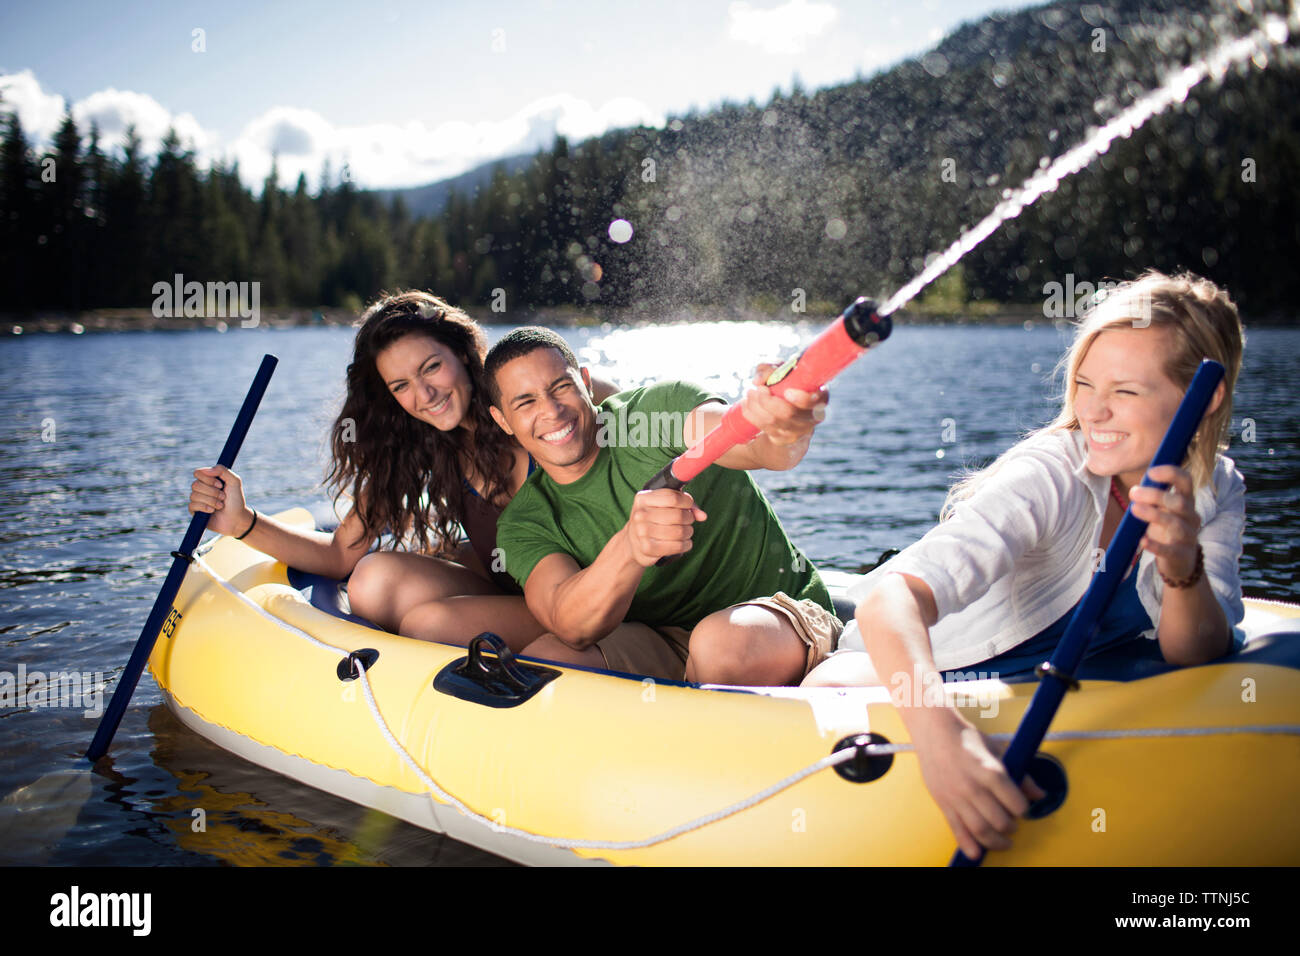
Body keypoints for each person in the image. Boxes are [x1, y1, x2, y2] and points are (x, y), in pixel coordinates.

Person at [803, 270, 1246, 858]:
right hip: (929, 665)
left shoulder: (1216, 489)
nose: (1095, 411)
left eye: (1126, 391)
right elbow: (893, 599)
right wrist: (943, 743)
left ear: (1203, 399)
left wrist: (1180, 565)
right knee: (834, 683)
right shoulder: (1051, 473)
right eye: (1085, 383)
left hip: (1032, 682)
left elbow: (1192, 651)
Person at [186, 291, 619, 656]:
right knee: (372, 582)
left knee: (429, 626)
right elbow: (340, 555)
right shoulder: (418, 444)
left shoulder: (542, 395)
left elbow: (649, 428)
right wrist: (243, 522)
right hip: (517, 597)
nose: (424, 394)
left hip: (592, 597)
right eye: (401, 386)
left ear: (464, 354)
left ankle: (570, 662)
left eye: (431, 367)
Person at [483, 326, 844, 686]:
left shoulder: (661, 411)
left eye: (561, 387)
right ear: (503, 421)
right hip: (665, 641)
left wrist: (783, 424)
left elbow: (759, 446)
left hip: (782, 617)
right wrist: (630, 547)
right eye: (525, 402)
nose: (551, 411)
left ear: (586, 383)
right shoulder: (524, 522)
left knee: (717, 645)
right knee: (546, 663)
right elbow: (572, 625)